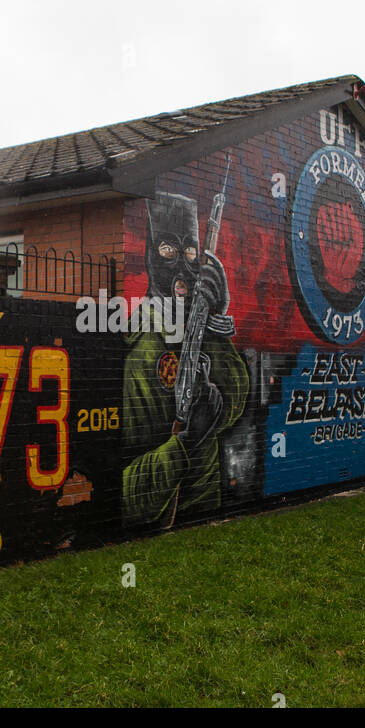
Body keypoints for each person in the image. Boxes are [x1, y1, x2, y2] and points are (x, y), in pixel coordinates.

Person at [121, 192, 248, 528]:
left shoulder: (195, 327)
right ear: (151, 255)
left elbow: (235, 400)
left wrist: (215, 323)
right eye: (168, 251)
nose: (183, 266)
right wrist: (185, 442)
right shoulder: (141, 348)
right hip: (169, 527)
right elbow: (127, 492)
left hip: (204, 518)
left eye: (191, 252)